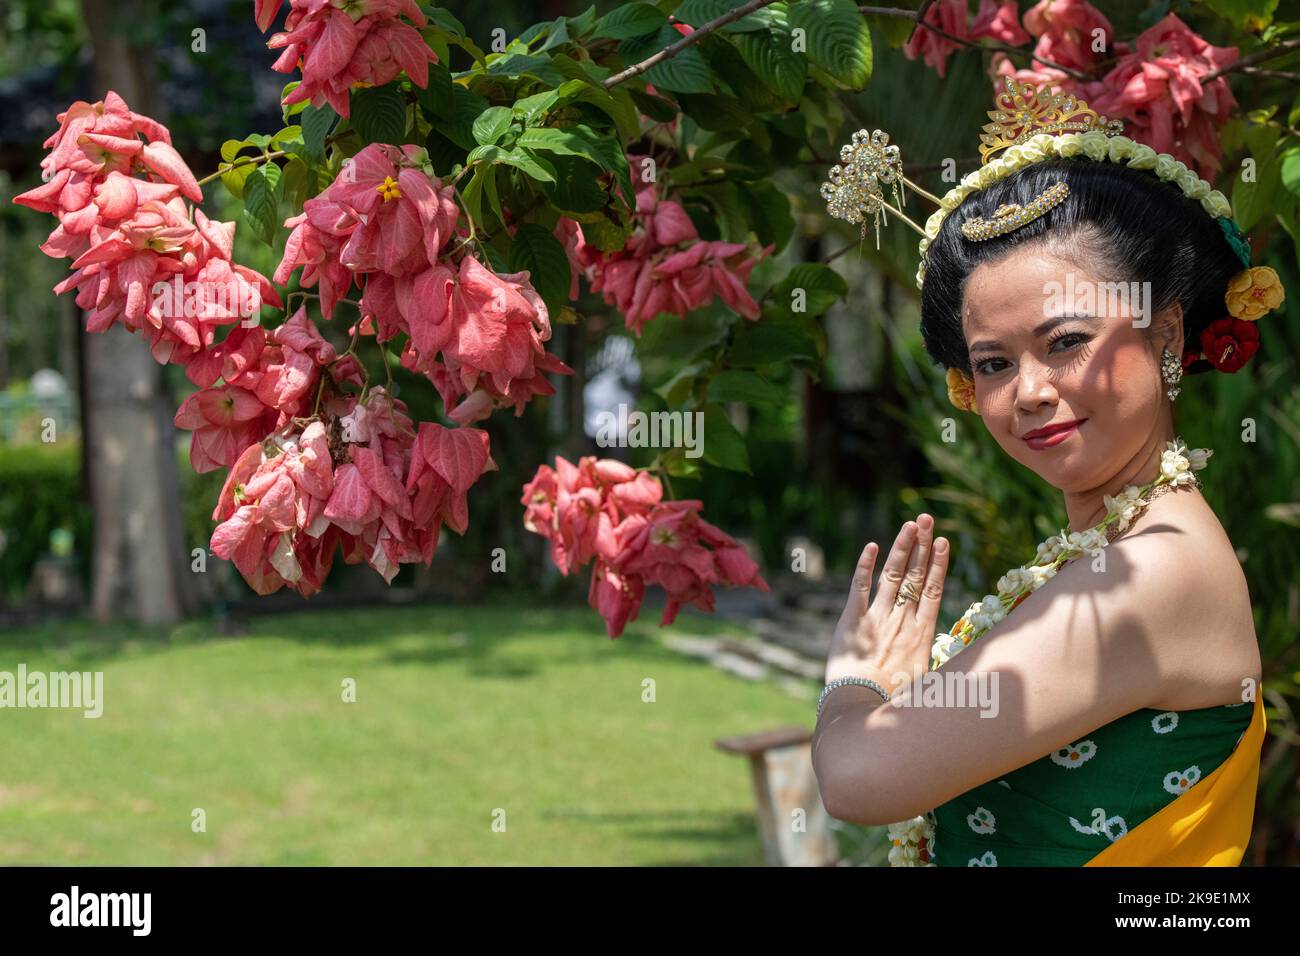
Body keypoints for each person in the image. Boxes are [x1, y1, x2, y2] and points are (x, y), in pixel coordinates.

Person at [812, 79, 1279, 866]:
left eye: (1066, 342)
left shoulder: (1153, 572)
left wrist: (856, 685)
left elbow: (860, 778)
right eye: (993, 362)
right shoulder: (1125, 541)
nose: (1028, 392)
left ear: (1165, 335)